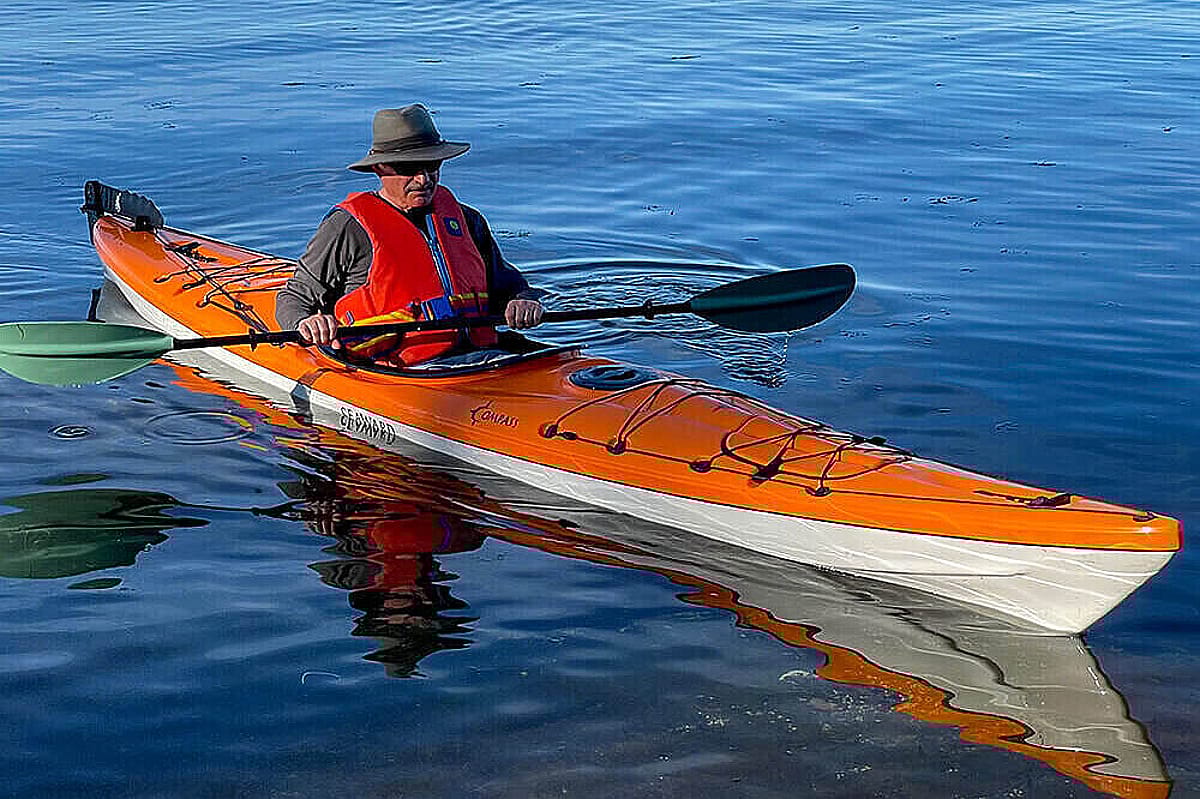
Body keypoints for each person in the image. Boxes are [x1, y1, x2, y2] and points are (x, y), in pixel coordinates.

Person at [276, 104, 544, 367]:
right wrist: (307, 323)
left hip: (485, 358)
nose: (424, 179)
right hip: (397, 368)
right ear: (380, 169)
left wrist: (523, 300)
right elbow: (294, 299)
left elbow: (508, 283)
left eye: (432, 165)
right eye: (409, 168)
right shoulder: (347, 227)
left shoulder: (467, 220)